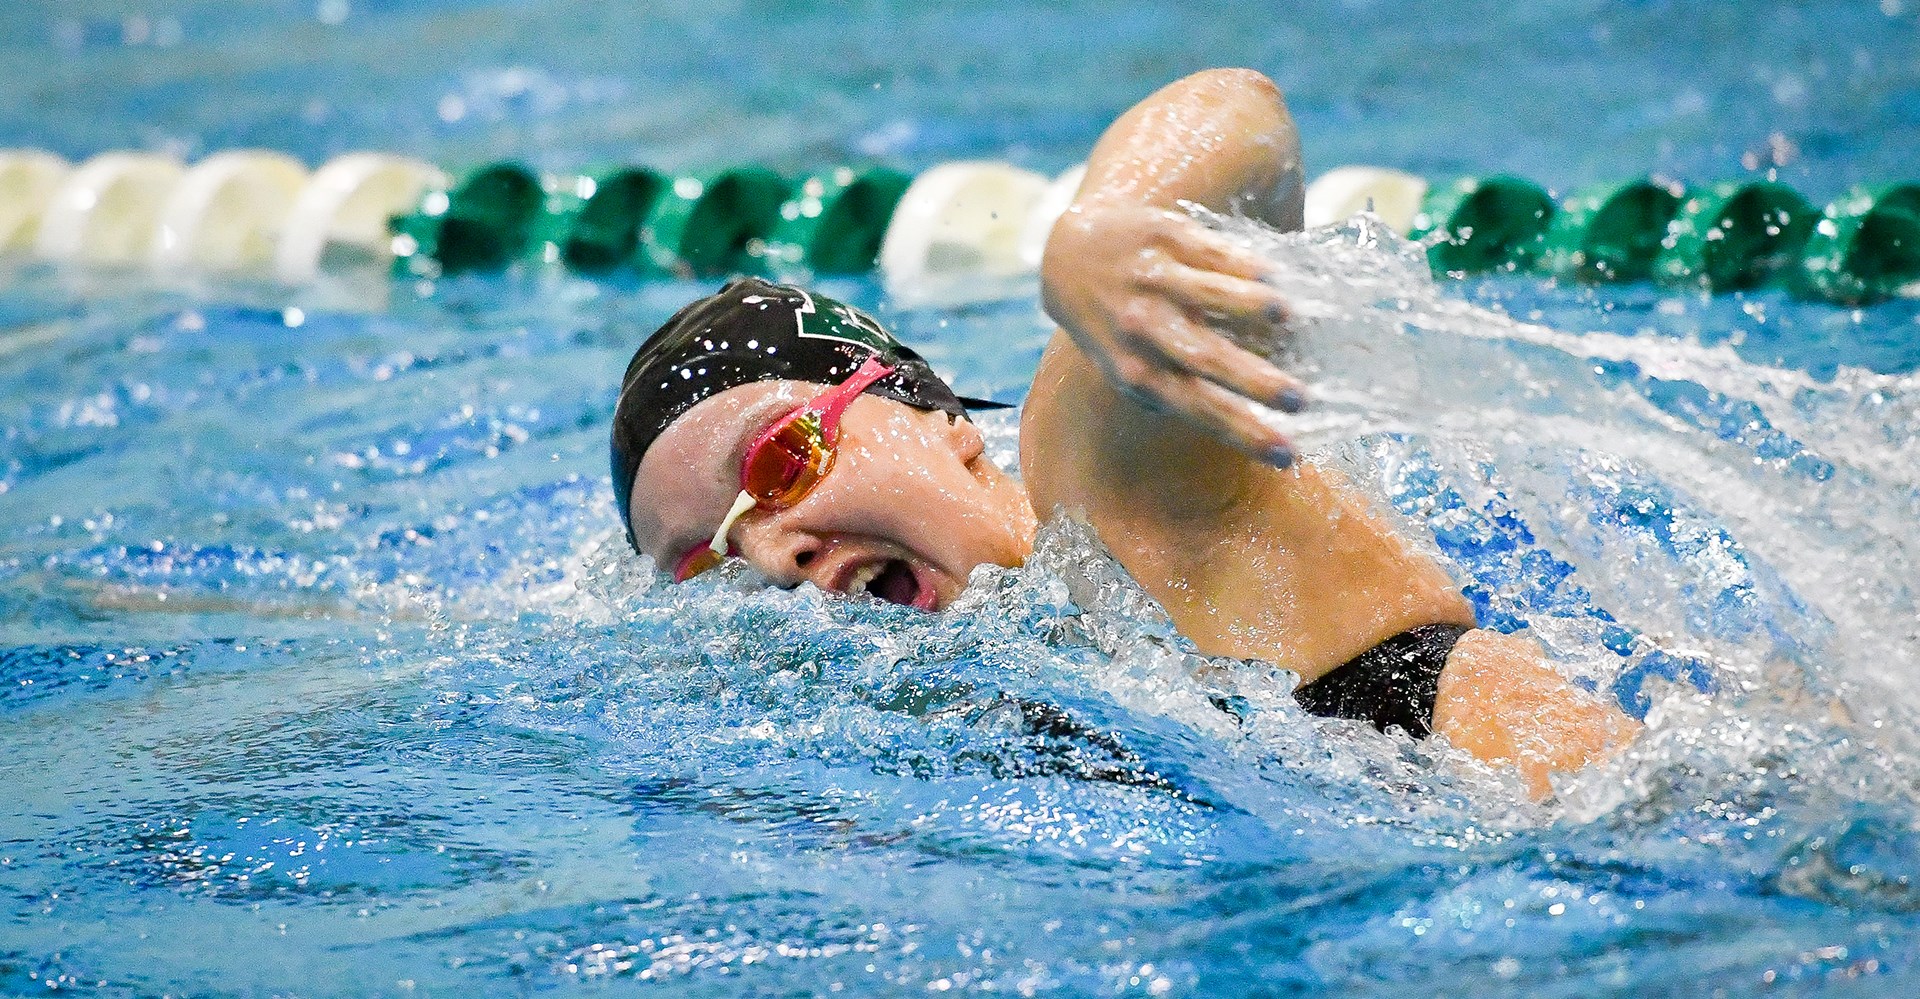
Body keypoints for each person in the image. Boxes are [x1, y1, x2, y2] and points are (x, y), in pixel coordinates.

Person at [610, 69, 1637, 797]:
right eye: (706, 561)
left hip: (1595, 829)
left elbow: (1241, 115)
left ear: (940, 425)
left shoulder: (1102, 476)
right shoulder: (914, 727)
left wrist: (1095, 238)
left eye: (781, 461)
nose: (768, 551)